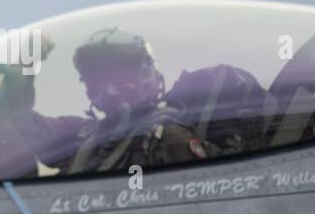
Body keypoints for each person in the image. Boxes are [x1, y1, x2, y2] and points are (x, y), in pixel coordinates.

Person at [61, 28, 207, 174]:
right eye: (99, 78)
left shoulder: (168, 137)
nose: (109, 88)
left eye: (120, 74)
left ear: (146, 72)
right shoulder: (89, 141)